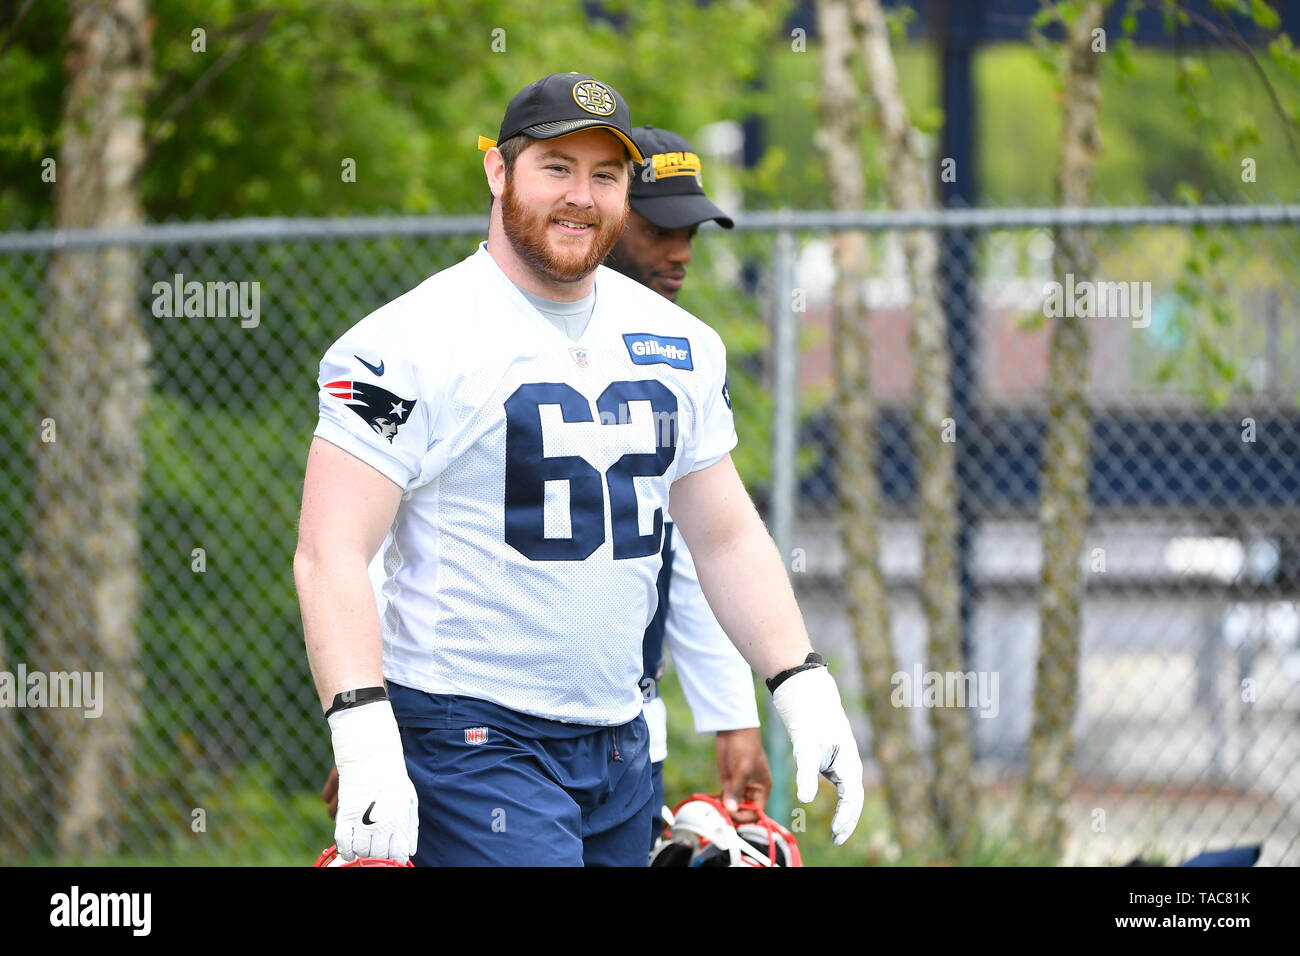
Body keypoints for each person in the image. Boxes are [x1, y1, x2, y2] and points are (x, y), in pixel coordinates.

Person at [295, 72, 863, 866]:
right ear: (499, 172)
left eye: (606, 175)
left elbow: (725, 537)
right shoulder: (408, 342)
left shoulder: (681, 342)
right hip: (472, 734)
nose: (582, 197)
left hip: (619, 739)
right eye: (557, 167)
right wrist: (362, 728)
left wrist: (800, 681)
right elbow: (331, 552)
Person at [604, 125, 771, 850]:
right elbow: (403, 543)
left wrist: (733, 715)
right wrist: (371, 716)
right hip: (483, 728)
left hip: (629, 725)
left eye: (692, 232)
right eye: (659, 229)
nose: (680, 254)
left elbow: (700, 551)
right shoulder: (486, 330)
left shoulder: (682, 353)